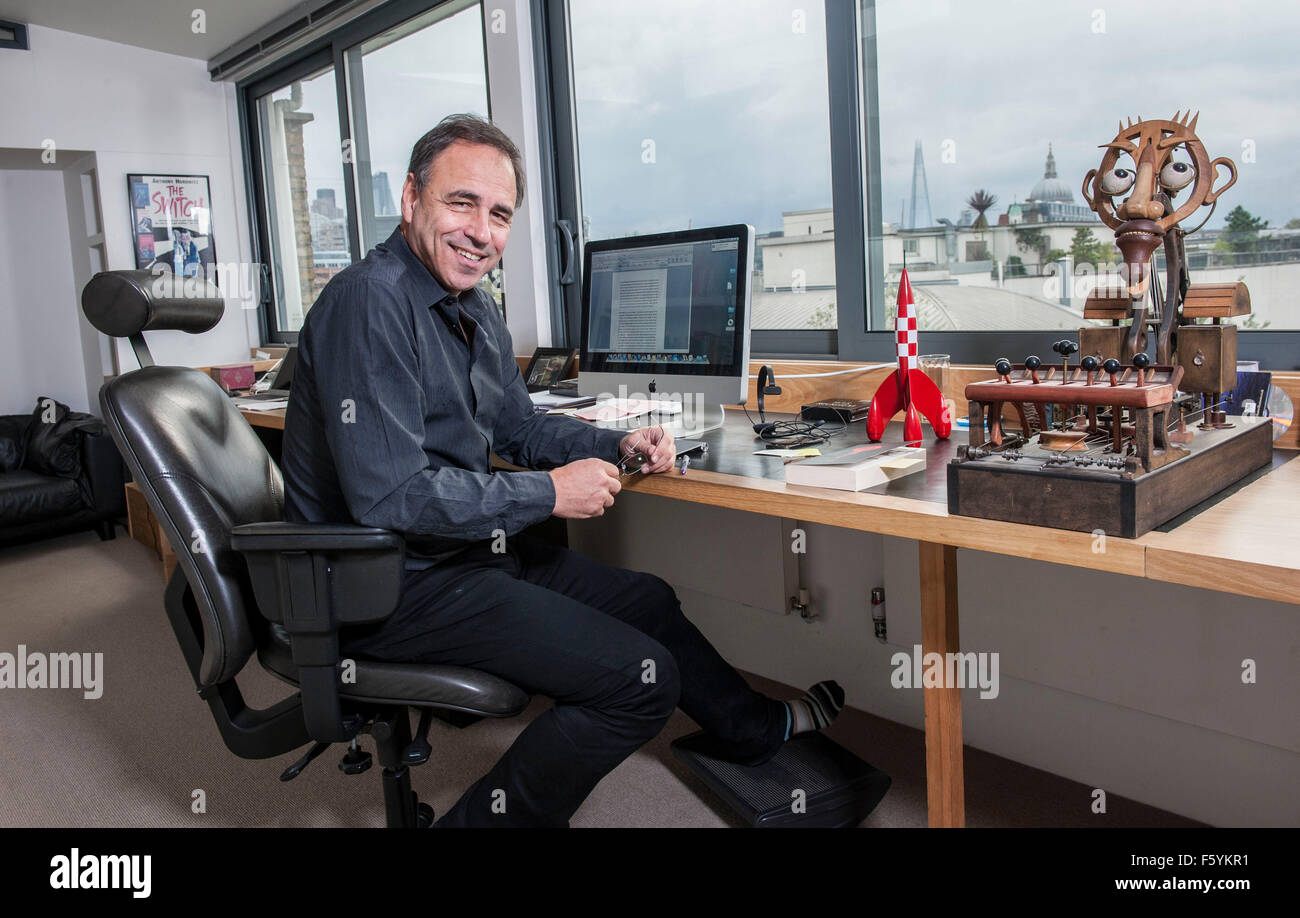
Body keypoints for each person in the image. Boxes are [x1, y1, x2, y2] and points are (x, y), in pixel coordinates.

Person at [281, 113, 844, 827]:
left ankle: (751, 729)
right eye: (461, 203)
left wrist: (616, 445)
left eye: (499, 214)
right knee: (640, 684)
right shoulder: (369, 301)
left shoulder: (474, 309)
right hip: (388, 584)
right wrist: (549, 493)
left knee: (648, 600)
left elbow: (516, 426)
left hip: (457, 557)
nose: (481, 232)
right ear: (411, 199)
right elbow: (393, 496)